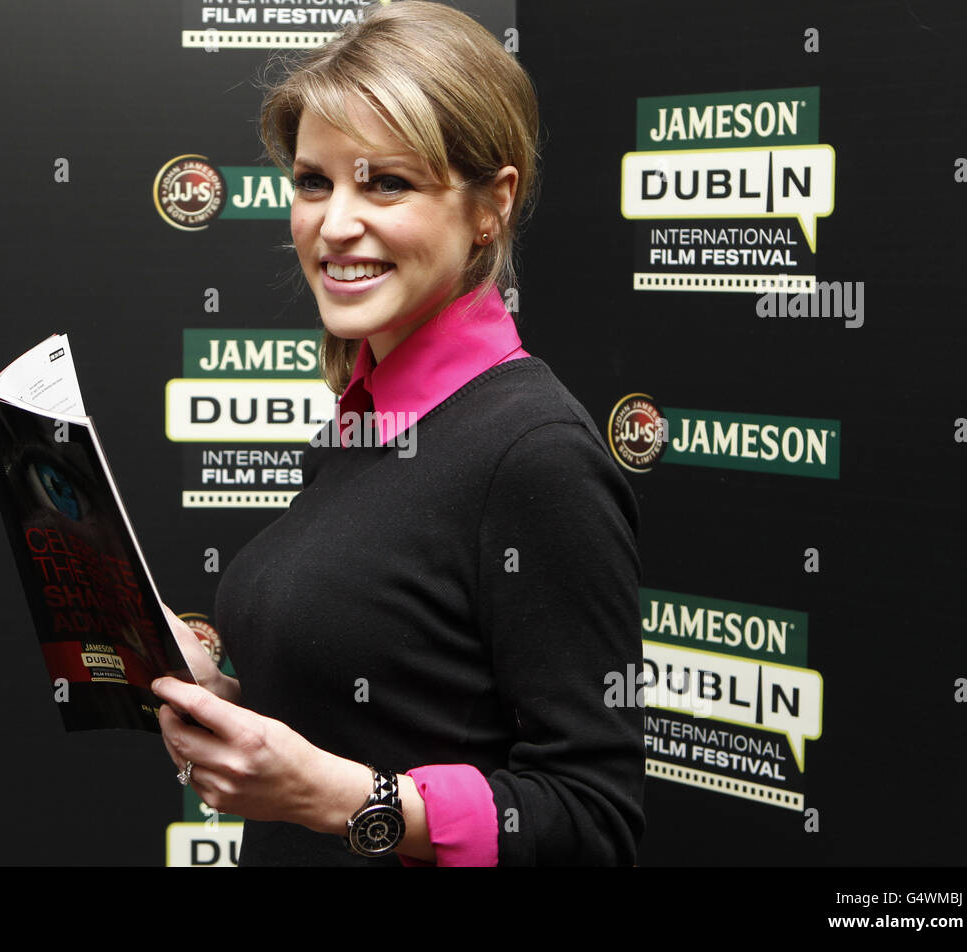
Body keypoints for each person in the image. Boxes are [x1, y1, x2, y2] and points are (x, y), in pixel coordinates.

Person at [152, 0, 645, 866]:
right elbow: (380, 712)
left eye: (387, 182)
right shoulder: (367, 416)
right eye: (314, 181)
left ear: (491, 203)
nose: (335, 224)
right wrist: (221, 699)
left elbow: (593, 823)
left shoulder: (536, 454)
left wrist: (344, 799)